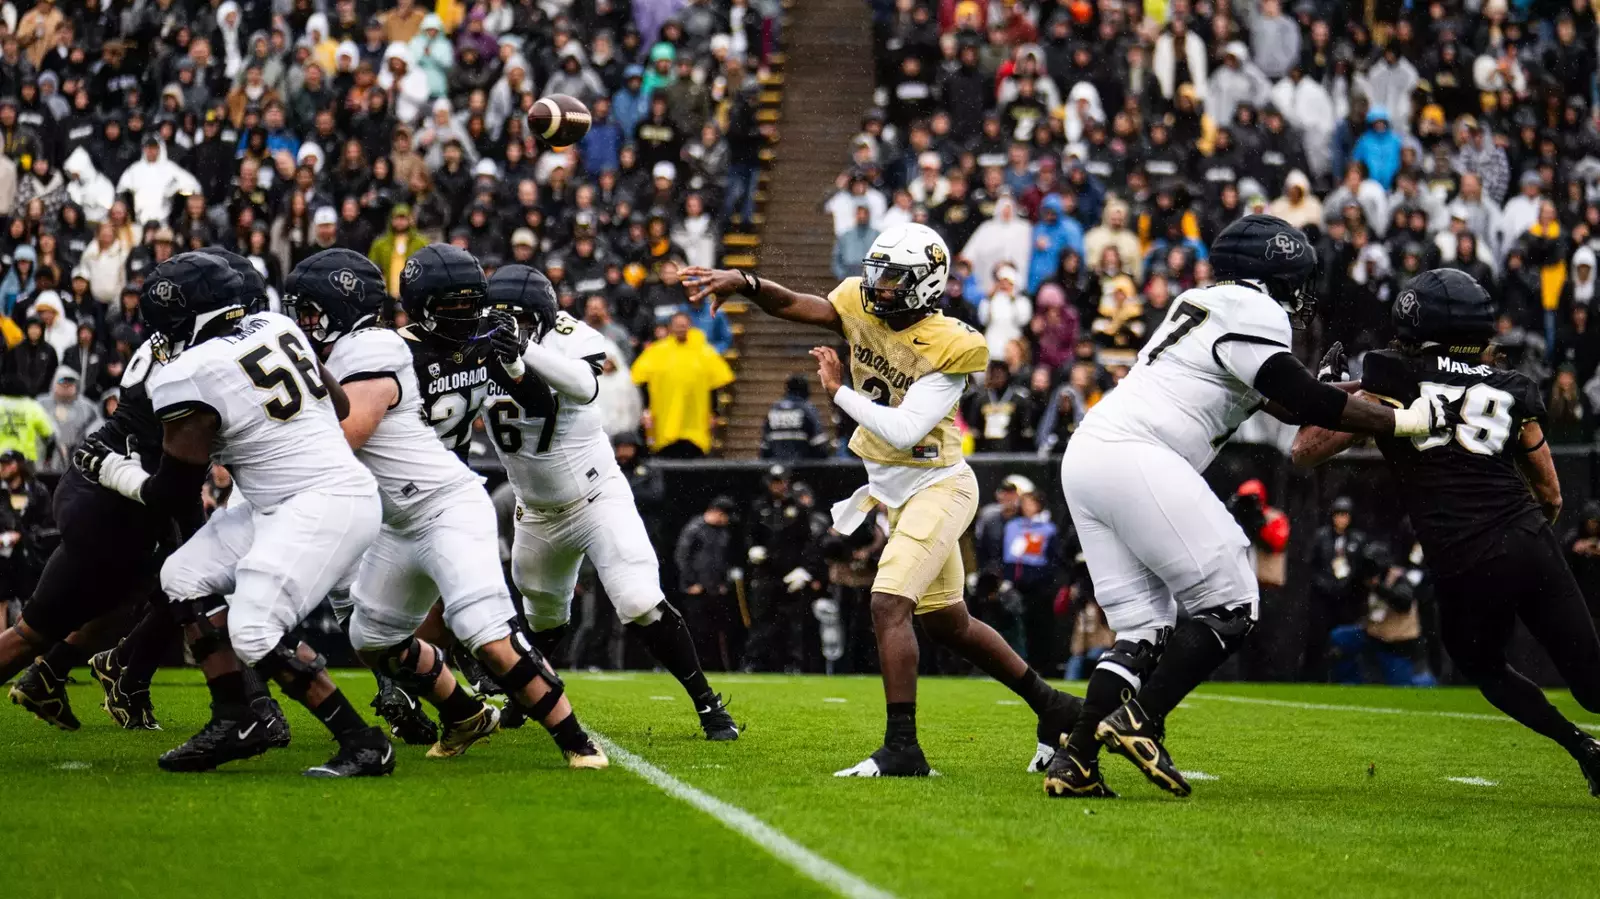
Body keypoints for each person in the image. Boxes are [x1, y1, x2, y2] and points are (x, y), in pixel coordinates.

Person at [1047, 215, 1456, 799]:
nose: (1301, 292)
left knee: (1141, 629)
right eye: (1296, 278)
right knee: (1235, 600)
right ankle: (1143, 721)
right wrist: (1407, 419)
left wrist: (1347, 393)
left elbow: (1292, 406)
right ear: (1275, 273)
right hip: (1139, 453)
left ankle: (1078, 761)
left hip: (1091, 453)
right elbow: (1301, 398)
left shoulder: (1203, 301)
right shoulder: (1254, 309)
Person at [683, 223, 1082, 778]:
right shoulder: (860, 305)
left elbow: (904, 428)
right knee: (947, 622)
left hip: (938, 485)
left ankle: (902, 750)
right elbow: (802, 304)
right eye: (877, 274)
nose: (879, 287)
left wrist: (838, 390)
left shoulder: (955, 343)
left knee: (887, 603)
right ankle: (1057, 708)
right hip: (898, 490)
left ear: (927, 283)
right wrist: (747, 282)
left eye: (894, 279)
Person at [70, 251, 394, 776]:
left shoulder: (189, 372)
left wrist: (109, 468)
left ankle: (361, 741)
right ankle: (235, 718)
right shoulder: (276, 323)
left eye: (169, 326)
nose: (163, 338)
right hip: (284, 499)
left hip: (323, 502)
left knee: (254, 630)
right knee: (182, 575)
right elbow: (335, 407)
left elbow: (171, 494)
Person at [282, 249, 607, 766]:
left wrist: (518, 363)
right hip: (390, 507)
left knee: (483, 629)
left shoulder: (476, 341)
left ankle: (576, 742)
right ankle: (463, 713)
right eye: (450, 304)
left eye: (469, 302)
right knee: (370, 635)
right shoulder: (393, 350)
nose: (464, 313)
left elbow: (540, 404)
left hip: (443, 497)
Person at [1293, 268, 1600, 796]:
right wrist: (1530, 544)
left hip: (1465, 560)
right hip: (1529, 541)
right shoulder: (1509, 384)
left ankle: (1583, 749)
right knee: (1594, 682)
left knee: (1481, 664)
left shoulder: (1393, 378)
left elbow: (1305, 451)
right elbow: (1550, 493)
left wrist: (1325, 392)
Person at [477, 264, 737, 740]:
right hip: (535, 510)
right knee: (544, 617)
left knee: (638, 600)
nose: (503, 327)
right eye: (498, 319)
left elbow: (583, 386)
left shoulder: (571, 336)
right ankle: (528, 693)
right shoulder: (474, 347)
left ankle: (707, 703)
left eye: (514, 320)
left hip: (597, 496)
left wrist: (523, 349)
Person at [630, 311, 735, 458]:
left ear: (690, 326)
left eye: (684, 325)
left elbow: (715, 385)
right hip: (665, 418)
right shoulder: (657, 352)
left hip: (695, 419)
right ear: (670, 328)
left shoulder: (704, 352)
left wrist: (714, 412)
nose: (681, 329)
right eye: (677, 326)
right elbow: (641, 380)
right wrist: (645, 409)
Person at [674, 495, 739, 670]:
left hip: (715, 590)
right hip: (696, 589)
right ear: (717, 512)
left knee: (714, 631)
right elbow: (682, 557)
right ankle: (694, 666)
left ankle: (713, 666)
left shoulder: (723, 532)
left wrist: (723, 582)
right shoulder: (694, 528)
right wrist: (690, 583)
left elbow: (723, 560)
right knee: (696, 630)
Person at [35, 366, 99, 474]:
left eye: (70, 384)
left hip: (76, 458)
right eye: (62, 383)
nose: (66, 386)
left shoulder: (87, 407)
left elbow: (96, 427)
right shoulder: (41, 403)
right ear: (54, 383)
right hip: (46, 459)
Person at [759, 373, 829, 459]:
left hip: (777, 467)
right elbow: (819, 445)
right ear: (805, 390)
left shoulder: (774, 409)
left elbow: (765, 448)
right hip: (801, 467)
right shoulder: (807, 409)